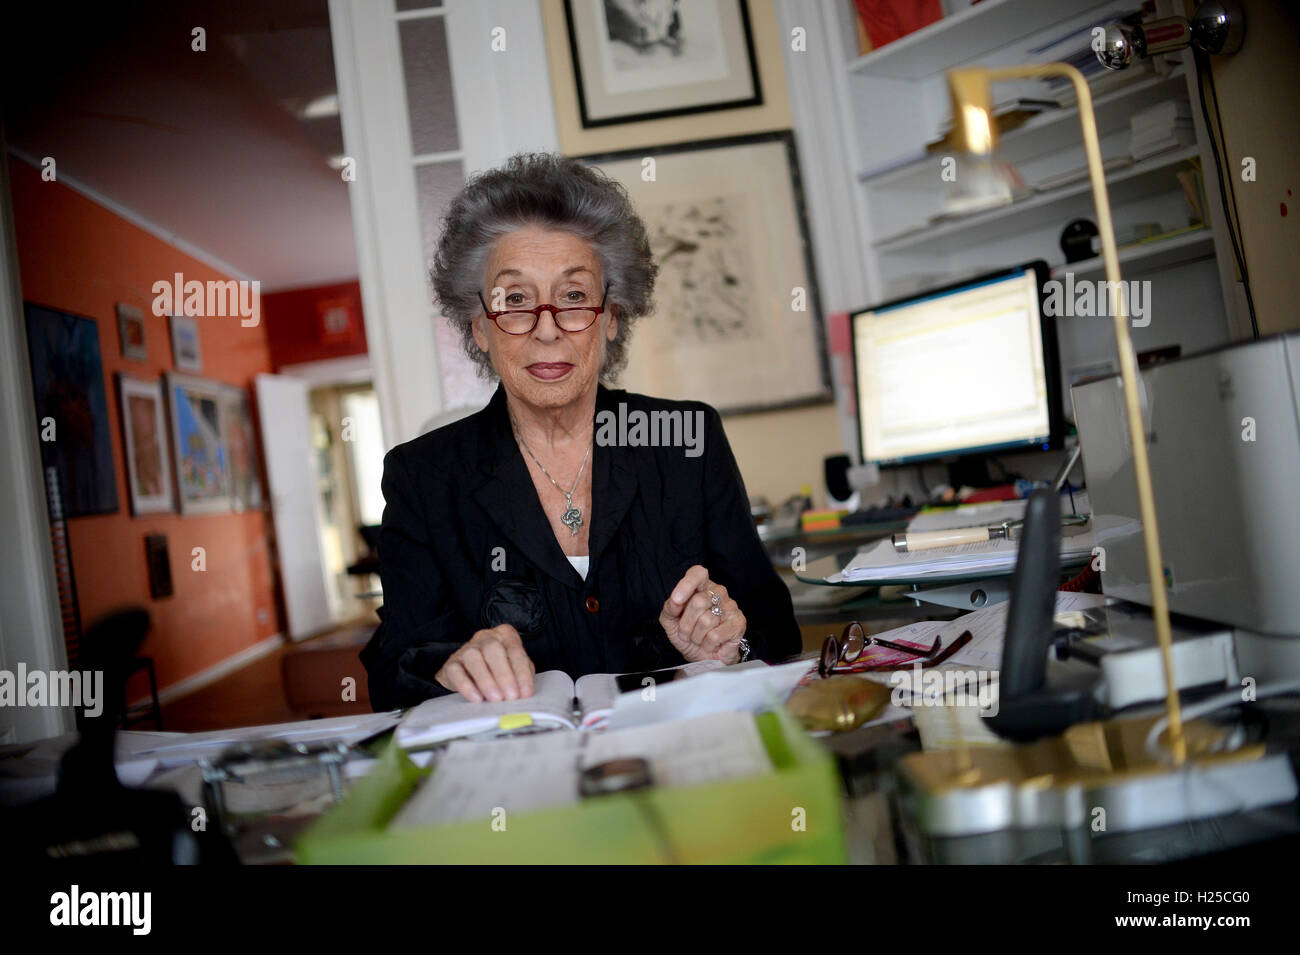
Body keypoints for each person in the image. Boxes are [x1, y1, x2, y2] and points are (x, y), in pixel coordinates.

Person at [361, 152, 801, 710]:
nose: (547, 330)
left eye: (573, 296)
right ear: (479, 327)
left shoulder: (686, 438)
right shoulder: (422, 477)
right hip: (520, 760)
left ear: (611, 316)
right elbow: (391, 671)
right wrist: (450, 667)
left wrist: (728, 641)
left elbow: (775, 629)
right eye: (514, 300)